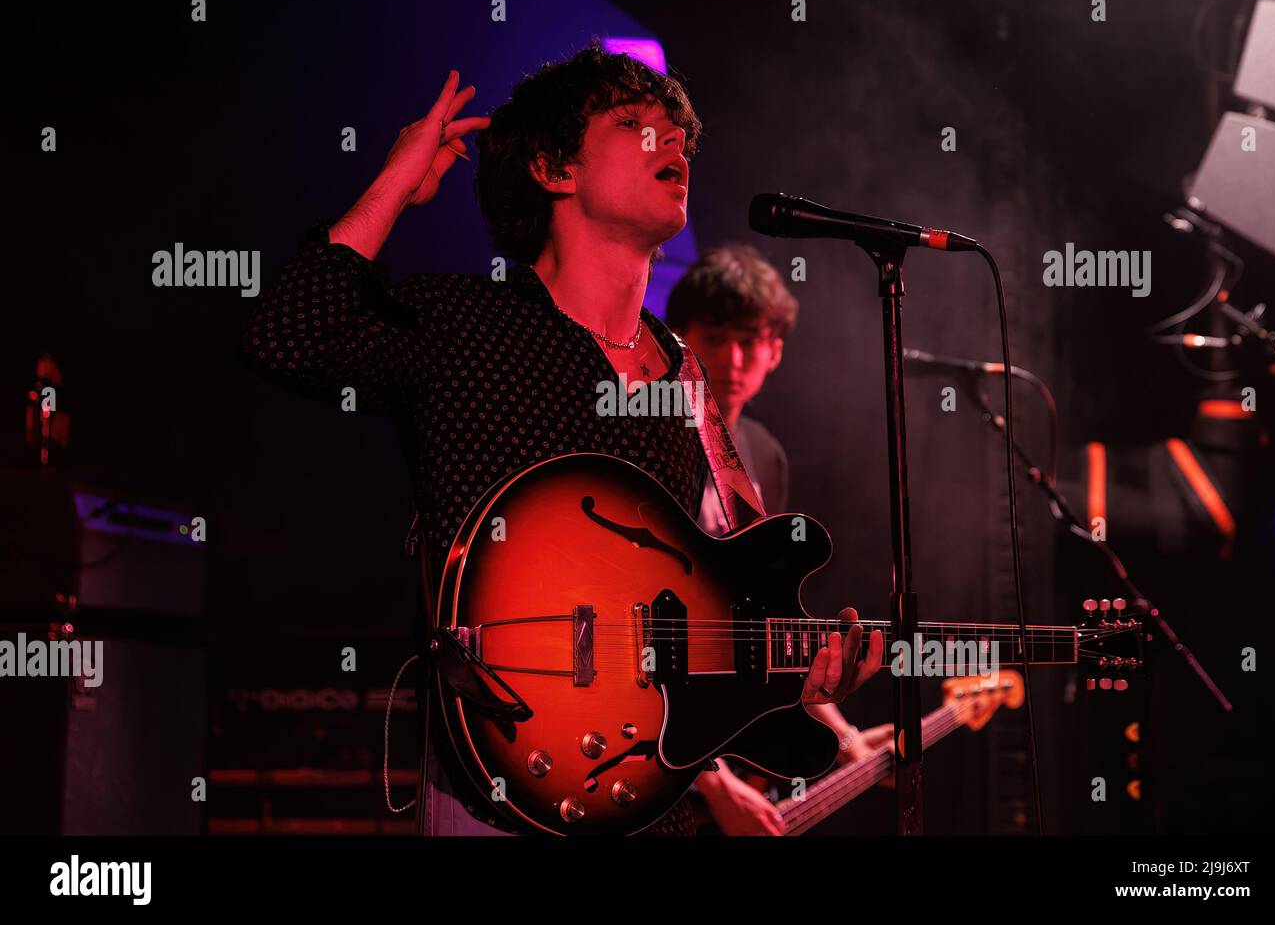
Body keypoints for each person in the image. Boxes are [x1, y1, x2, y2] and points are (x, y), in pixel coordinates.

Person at [240, 43, 883, 836]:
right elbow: (287, 338)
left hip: (655, 802)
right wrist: (395, 185)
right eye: (633, 123)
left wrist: (804, 672)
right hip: (501, 790)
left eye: (679, 131)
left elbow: (727, 615)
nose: (673, 142)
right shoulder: (465, 324)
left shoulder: (685, 382)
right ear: (553, 168)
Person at [667, 246, 890, 835]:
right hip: (656, 746)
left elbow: (768, 622)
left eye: (750, 340)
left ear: (776, 351)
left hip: (728, 745)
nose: (733, 359)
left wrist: (843, 740)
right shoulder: (656, 434)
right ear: (680, 338)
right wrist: (716, 786)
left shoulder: (766, 454)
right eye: (713, 339)